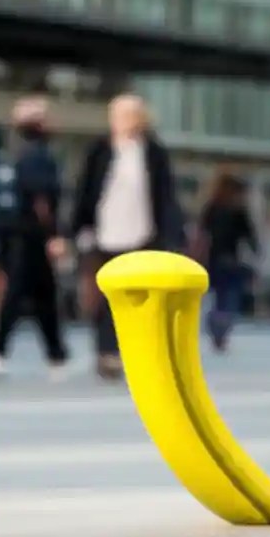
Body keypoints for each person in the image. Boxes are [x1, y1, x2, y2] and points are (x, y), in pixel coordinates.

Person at [71, 94, 182, 380]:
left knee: (139, 297)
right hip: (104, 234)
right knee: (104, 296)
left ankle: (135, 352)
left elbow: (166, 197)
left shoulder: (154, 152)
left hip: (142, 235)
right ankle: (107, 351)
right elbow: (84, 191)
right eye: (118, 116)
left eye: (128, 116)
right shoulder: (99, 150)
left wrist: (172, 236)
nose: (122, 122)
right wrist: (74, 229)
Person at [0, 97, 70, 378]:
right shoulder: (39, 157)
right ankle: (0, 349)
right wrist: (53, 235)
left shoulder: (15, 155)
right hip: (31, 236)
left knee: (42, 293)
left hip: (20, 233)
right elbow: (41, 200)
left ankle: (55, 352)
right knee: (21, 293)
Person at [194, 169, 258, 353]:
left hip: (213, 258)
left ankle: (215, 327)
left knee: (216, 297)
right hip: (230, 258)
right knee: (227, 298)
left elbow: (202, 231)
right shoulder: (238, 210)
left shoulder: (212, 207)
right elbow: (248, 234)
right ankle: (220, 331)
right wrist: (255, 250)